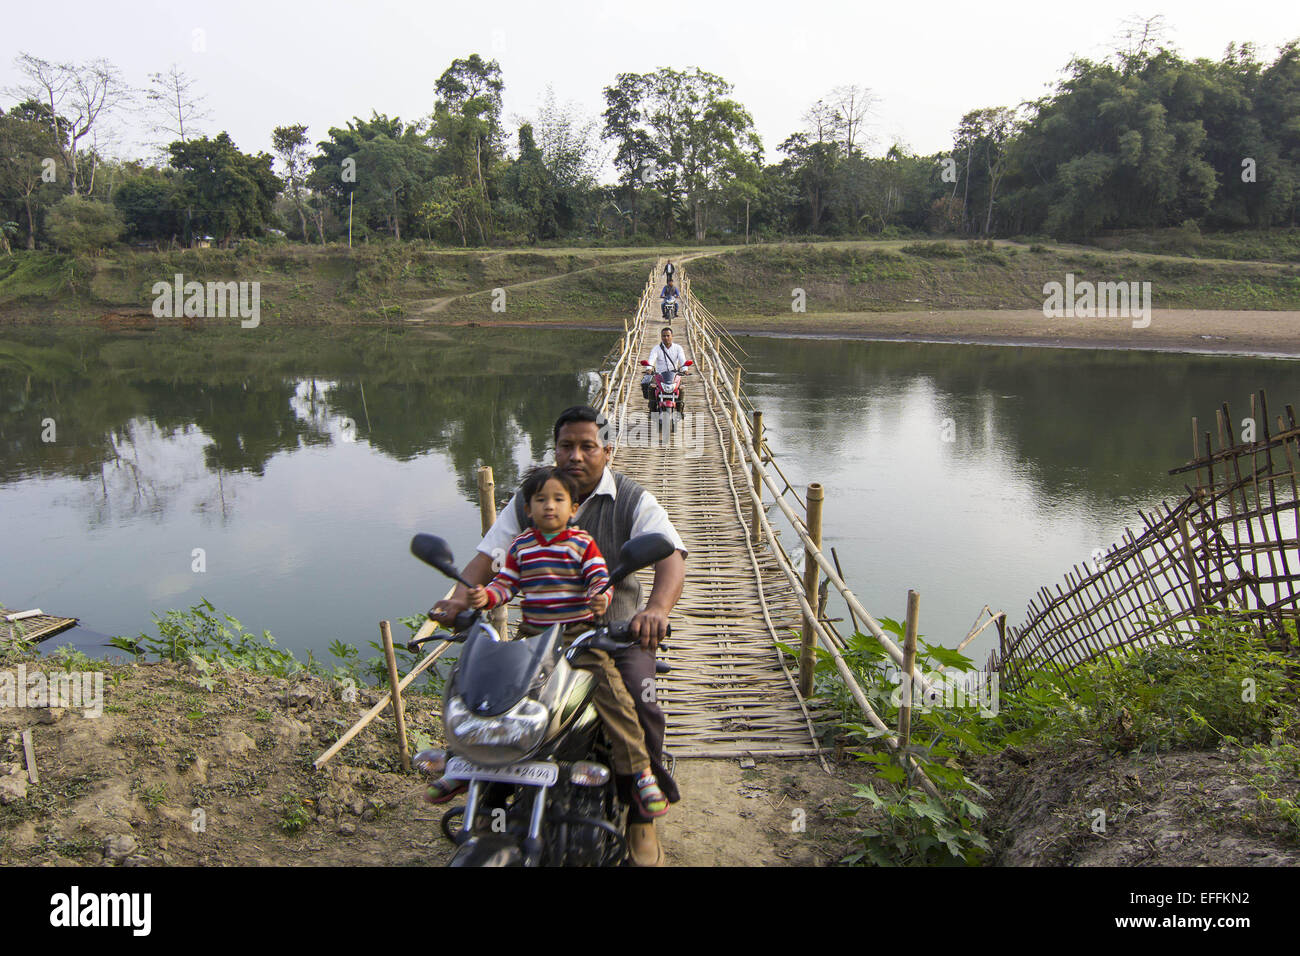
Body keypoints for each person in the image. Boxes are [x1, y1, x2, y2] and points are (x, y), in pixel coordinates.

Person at [433, 406, 686, 866]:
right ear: (554, 449)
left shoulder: (632, 498)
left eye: (587, 446)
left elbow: (671, 556)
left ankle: (640, 815)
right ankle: (479, 783)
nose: (575, 455)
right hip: (538, 637)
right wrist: (458, 599)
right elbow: (491, 558)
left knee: (638, 696)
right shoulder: (532, 496)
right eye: (566, 445)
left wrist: (655, 610)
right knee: (488, 689)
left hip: (612, 634)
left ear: (607, 451)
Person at [647, 326, 690, 414]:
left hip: (674, 375)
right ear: (661, 337)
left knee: (681, 389)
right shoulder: (656, 348)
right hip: (660, 375)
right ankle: (652, 410)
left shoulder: (678, 348)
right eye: (663, 336)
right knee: (651, 387)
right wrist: (649, 368)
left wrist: (685, 369)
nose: (666, 338)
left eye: (668, 335)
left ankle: (680, 409)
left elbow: (682, 359)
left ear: (672, 336)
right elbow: (652, 358)